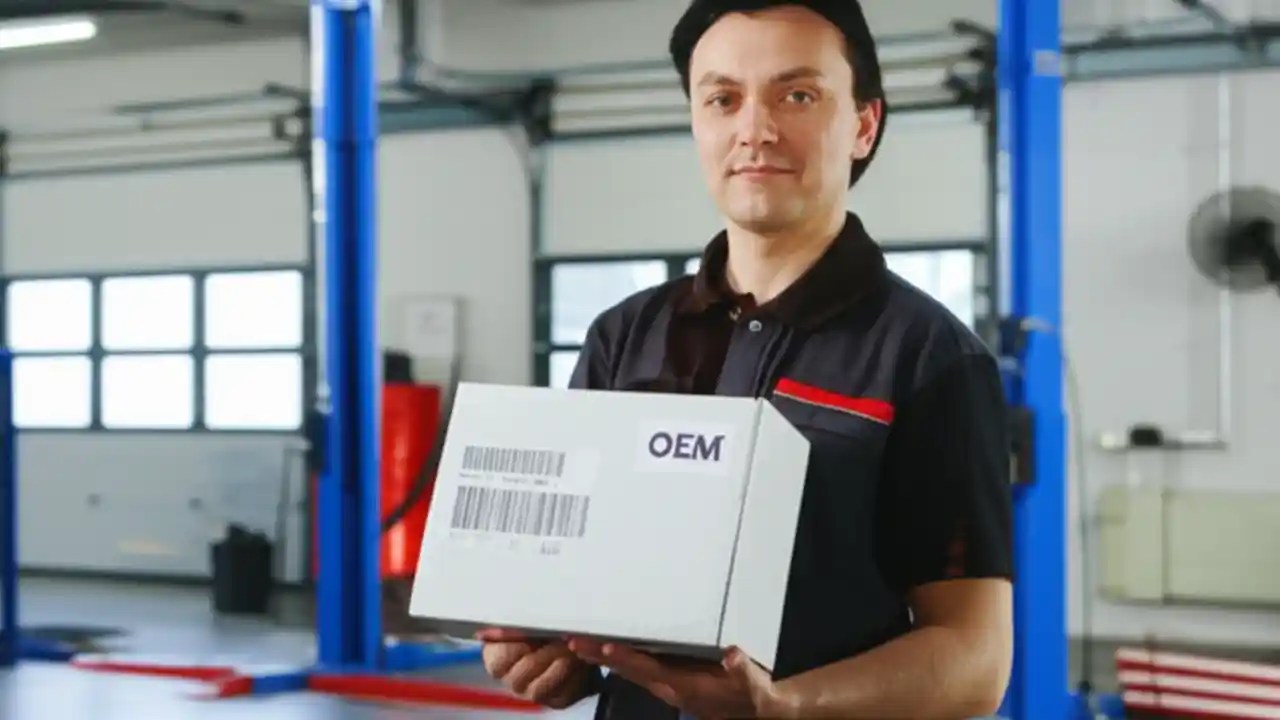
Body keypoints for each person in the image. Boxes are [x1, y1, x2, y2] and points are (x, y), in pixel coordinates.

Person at [480, 1, 1015, 717]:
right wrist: (548, 650)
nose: (755, 130)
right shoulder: (624, 336)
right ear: (697, 121)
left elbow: (976, 661)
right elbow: (581, 589)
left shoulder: (929, 360)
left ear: (863, 124)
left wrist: (786, 707)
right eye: (723, 99)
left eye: (798, 96)